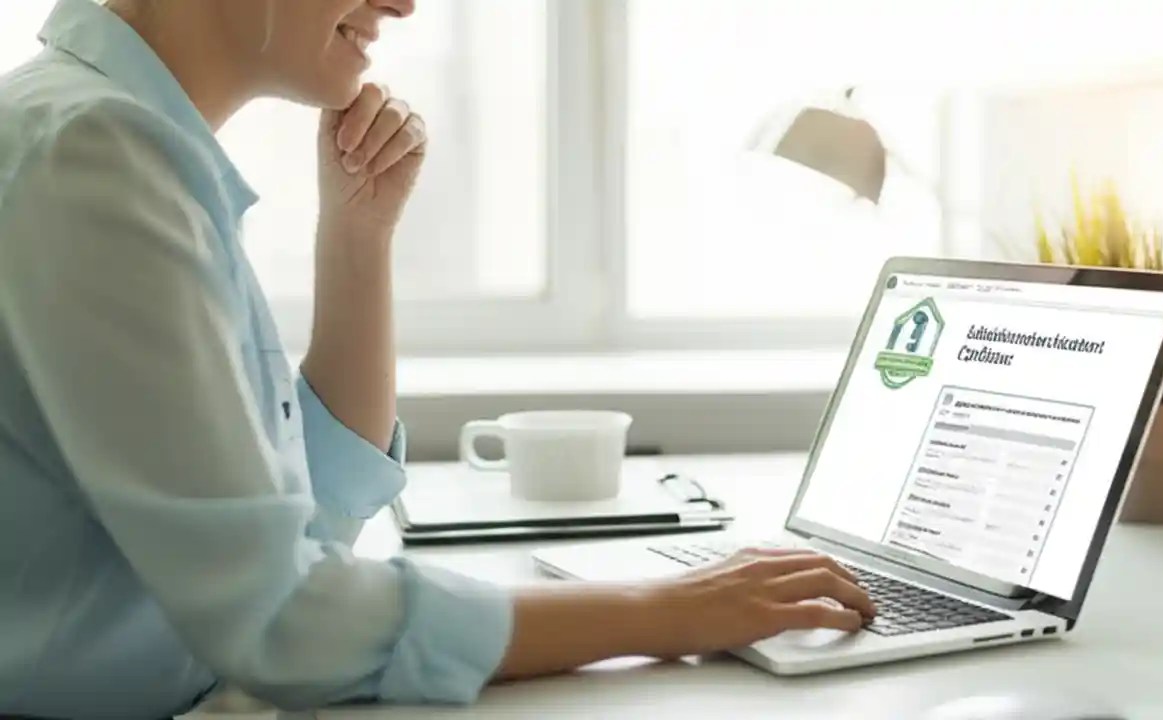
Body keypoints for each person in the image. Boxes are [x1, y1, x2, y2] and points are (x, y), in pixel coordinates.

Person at [0, 1, 876, 717]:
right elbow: (283, 622)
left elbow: (307, 524)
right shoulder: (90, 154)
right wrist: (669, 611)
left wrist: (359, 239)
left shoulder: (119, 139)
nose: (403, 4)